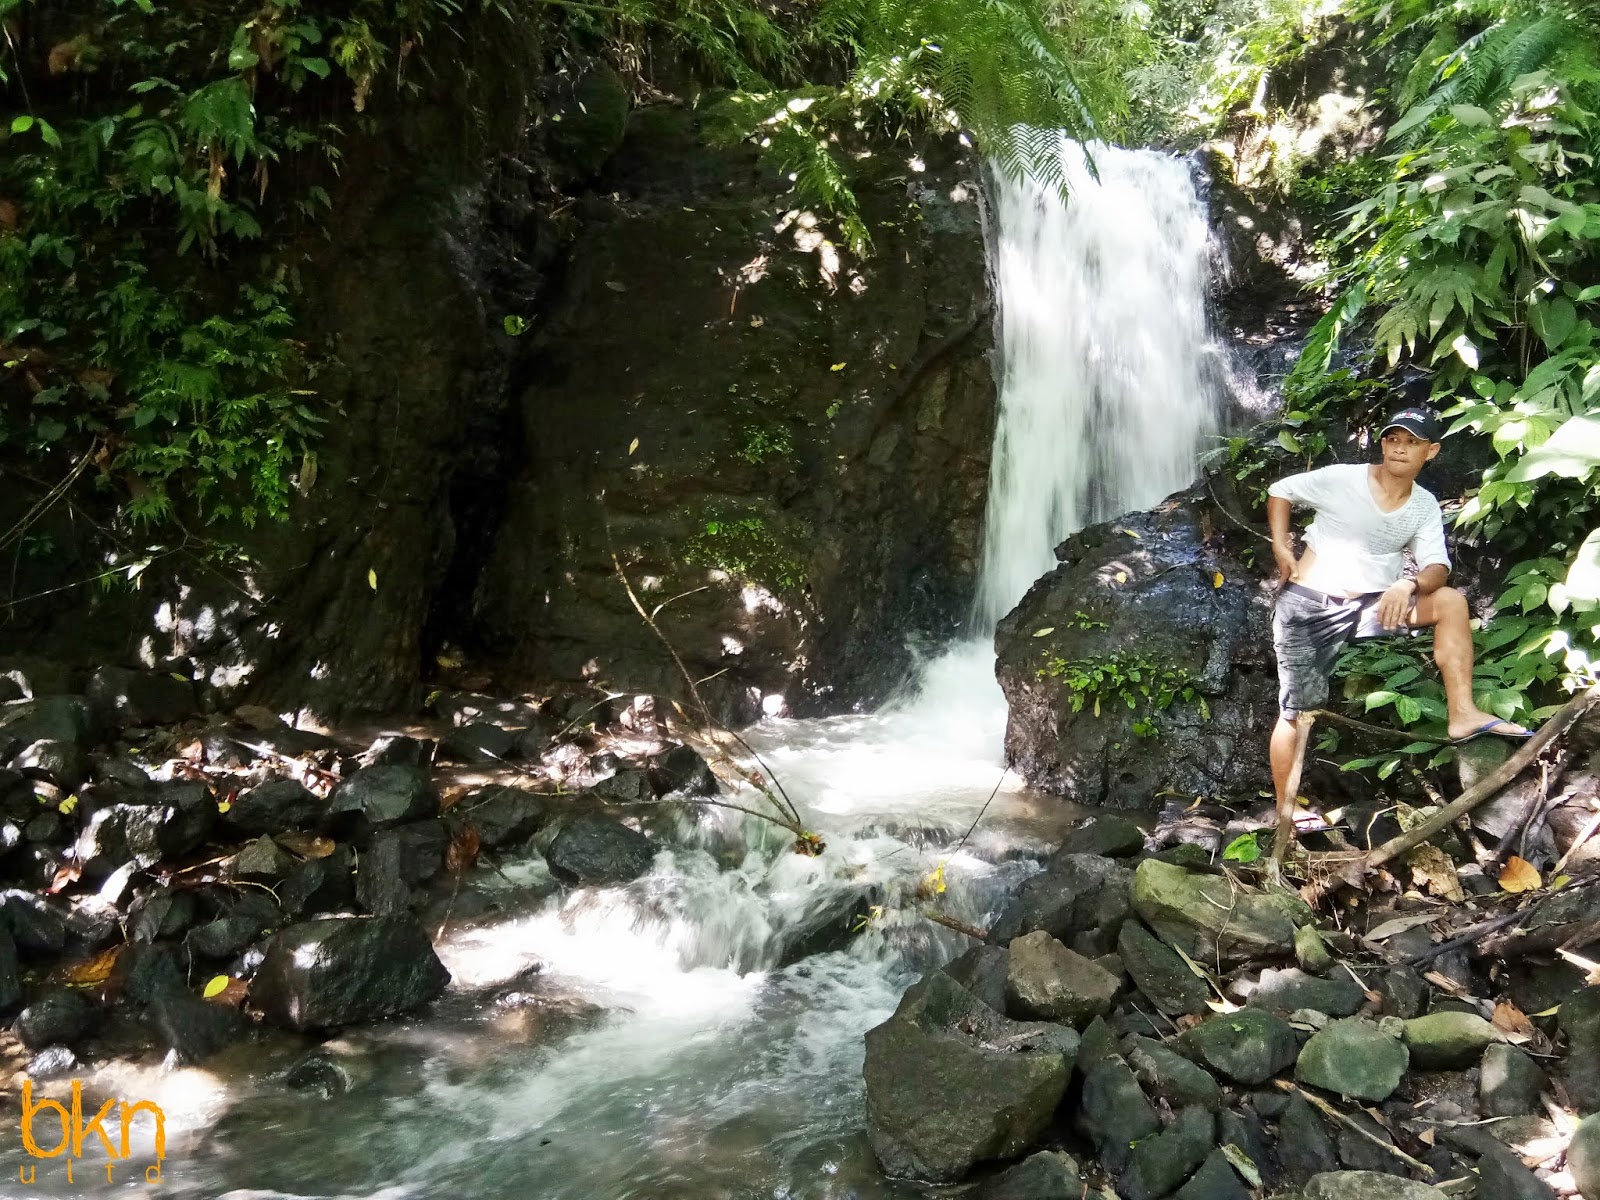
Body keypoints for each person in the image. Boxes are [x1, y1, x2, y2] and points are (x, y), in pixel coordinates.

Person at [1265, 404, 1531, 830]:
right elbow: (1281, 489)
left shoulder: (1423, 506)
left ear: (1432, 451)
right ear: (1382, 443)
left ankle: (1462, 714)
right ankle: (1285, 808)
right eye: (1393, 439)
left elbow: (1437, 568)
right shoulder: (1342, 479)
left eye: (1412, 442)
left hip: (1372, 606)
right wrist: (1281, 546)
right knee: (1297, 711)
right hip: (1310, 605)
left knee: (1449, 602)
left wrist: (1408, 584)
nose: (1400, 449)